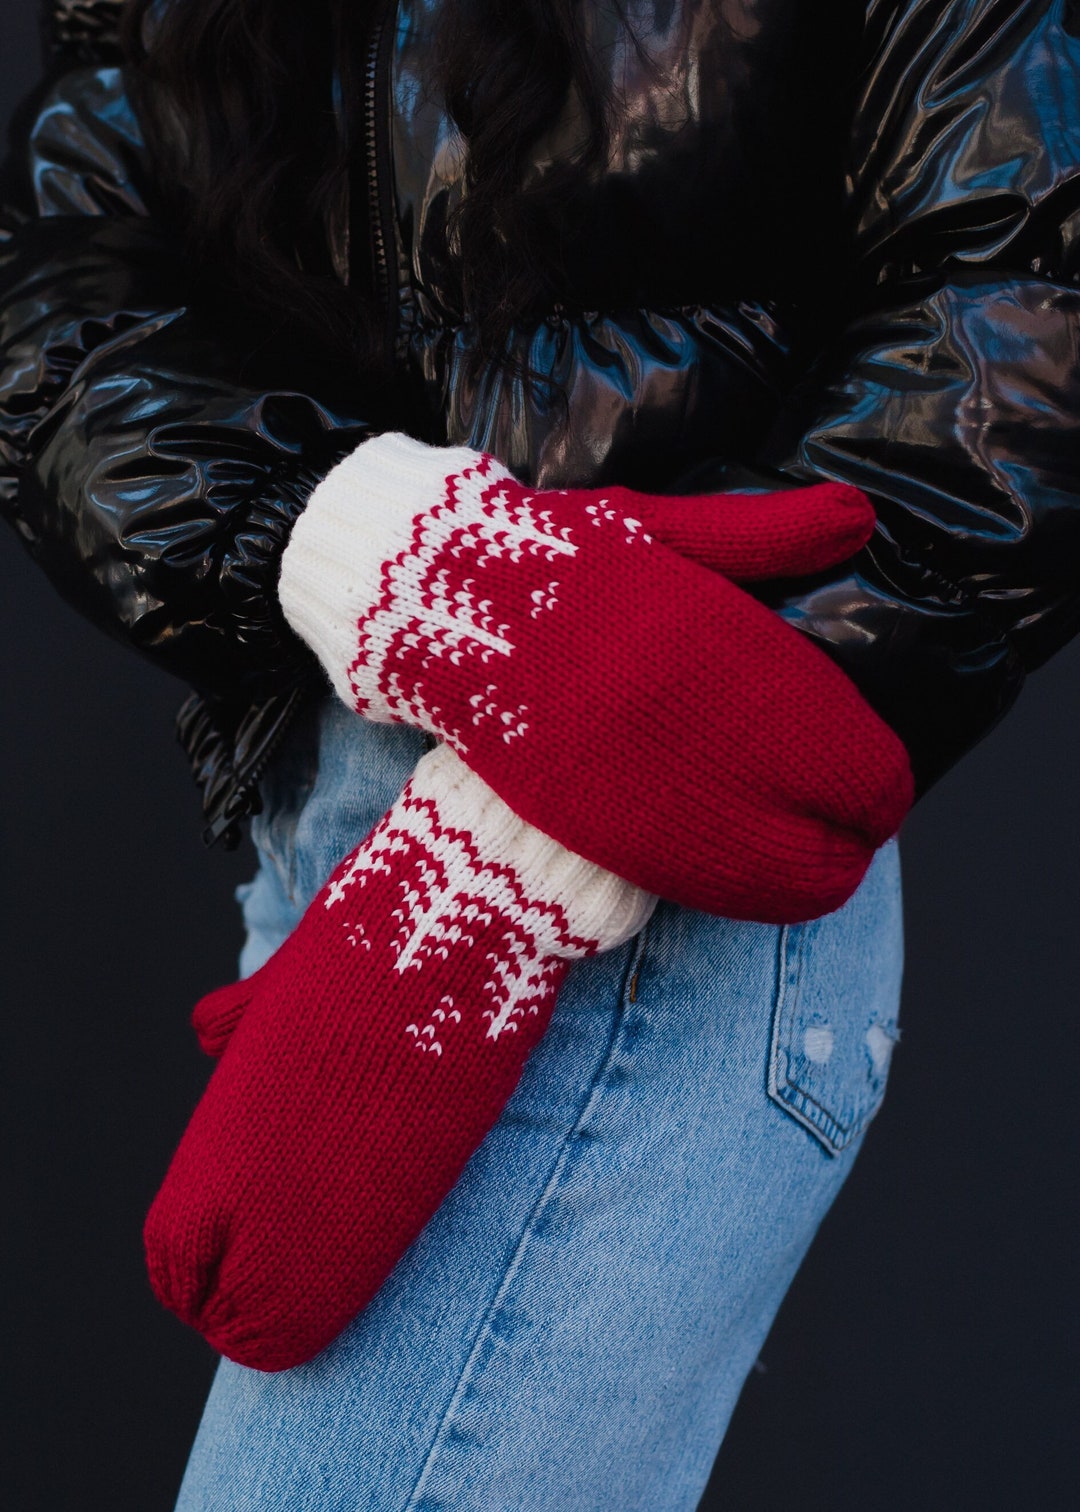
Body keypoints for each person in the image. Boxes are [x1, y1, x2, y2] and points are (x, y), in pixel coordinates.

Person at [1, 0, 1077, 1507]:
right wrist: (364, 541)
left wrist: (542, 813)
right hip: (331, 832)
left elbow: (1020, 311)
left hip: (644, 894)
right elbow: (67, 292)